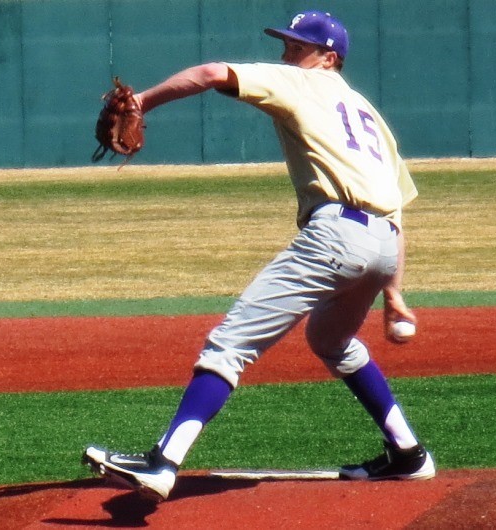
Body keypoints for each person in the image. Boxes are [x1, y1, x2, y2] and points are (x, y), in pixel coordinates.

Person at [83, 10, 433, 500]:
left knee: (229, 345)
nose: (287, 54)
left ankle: (163, 462)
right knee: (331, 340)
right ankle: (408, 452)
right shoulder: (370, 115)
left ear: (328, 57)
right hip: (383, 246)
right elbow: (395, 208)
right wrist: (393, 292)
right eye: (286, 44)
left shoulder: (301, 83)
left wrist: (143, 101)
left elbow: (211, 73)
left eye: (298, 46)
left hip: (335, 236)